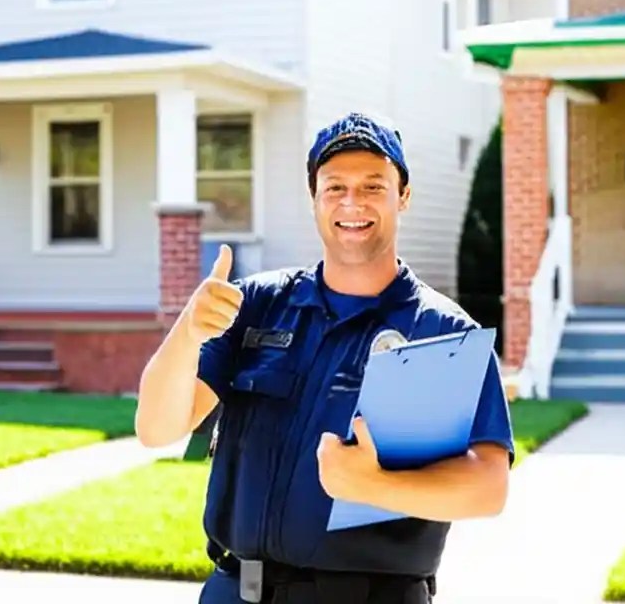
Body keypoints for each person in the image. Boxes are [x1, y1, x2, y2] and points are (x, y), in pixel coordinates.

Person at [135, 112, 515, 604]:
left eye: (373, 186)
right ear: (314, 196)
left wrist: (373, 485)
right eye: (335, 187)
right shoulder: (257, 305)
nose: (352, 203)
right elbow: (157, 428)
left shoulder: (443, 332)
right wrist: (188, 332)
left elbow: (488, 487)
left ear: (403, 195)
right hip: (236, 590)